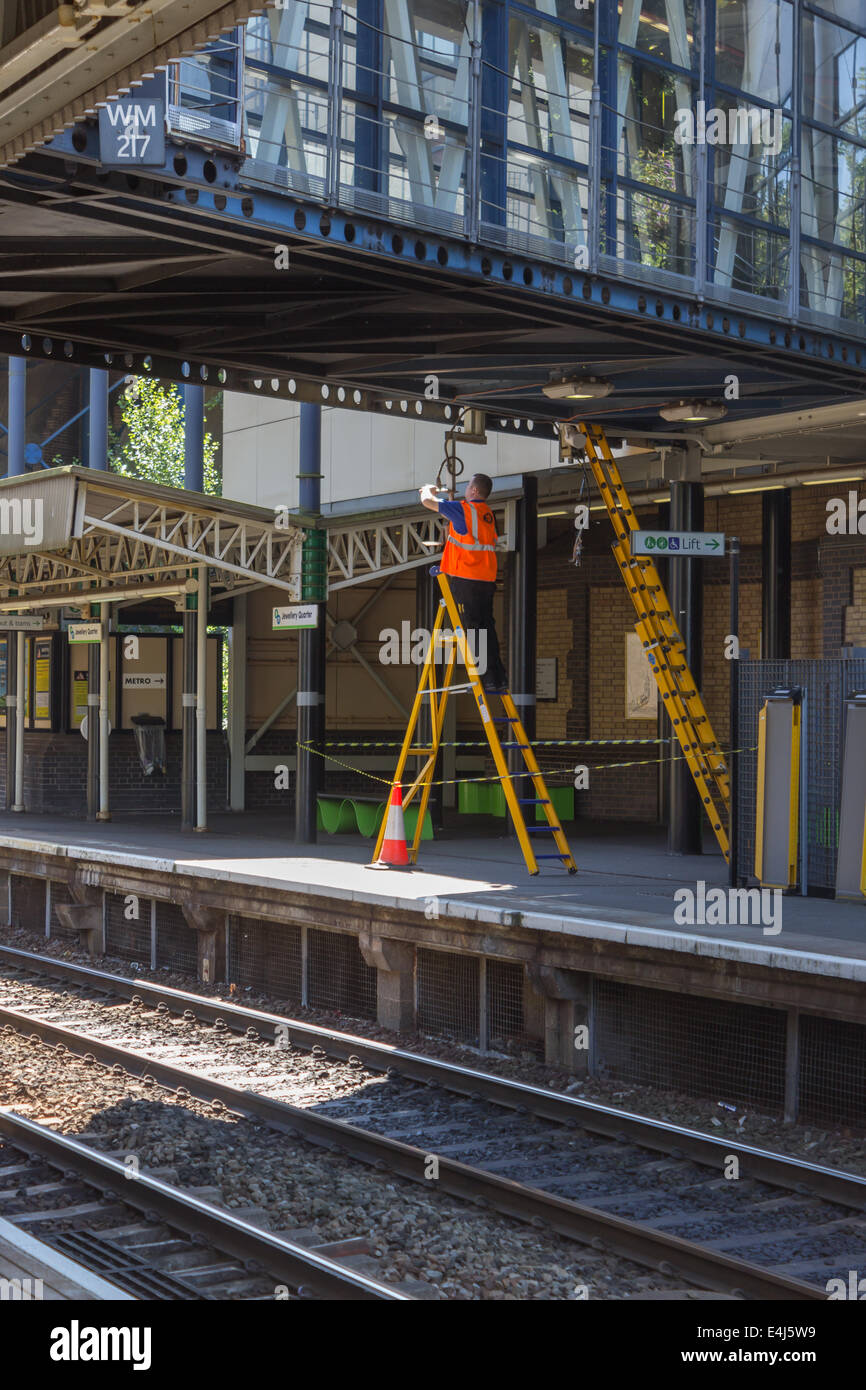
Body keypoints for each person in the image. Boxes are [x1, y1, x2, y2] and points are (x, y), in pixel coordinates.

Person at [419, 472, 509, 692]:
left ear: (475, 491)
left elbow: (427, 502)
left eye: (468, 485)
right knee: (487, 626)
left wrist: (427, 489)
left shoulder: (463, 510)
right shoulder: (487, 514)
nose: (465, 488)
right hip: (485, 578)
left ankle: (484, 679)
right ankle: (498, 677)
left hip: (466, 580)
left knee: (474, 629)